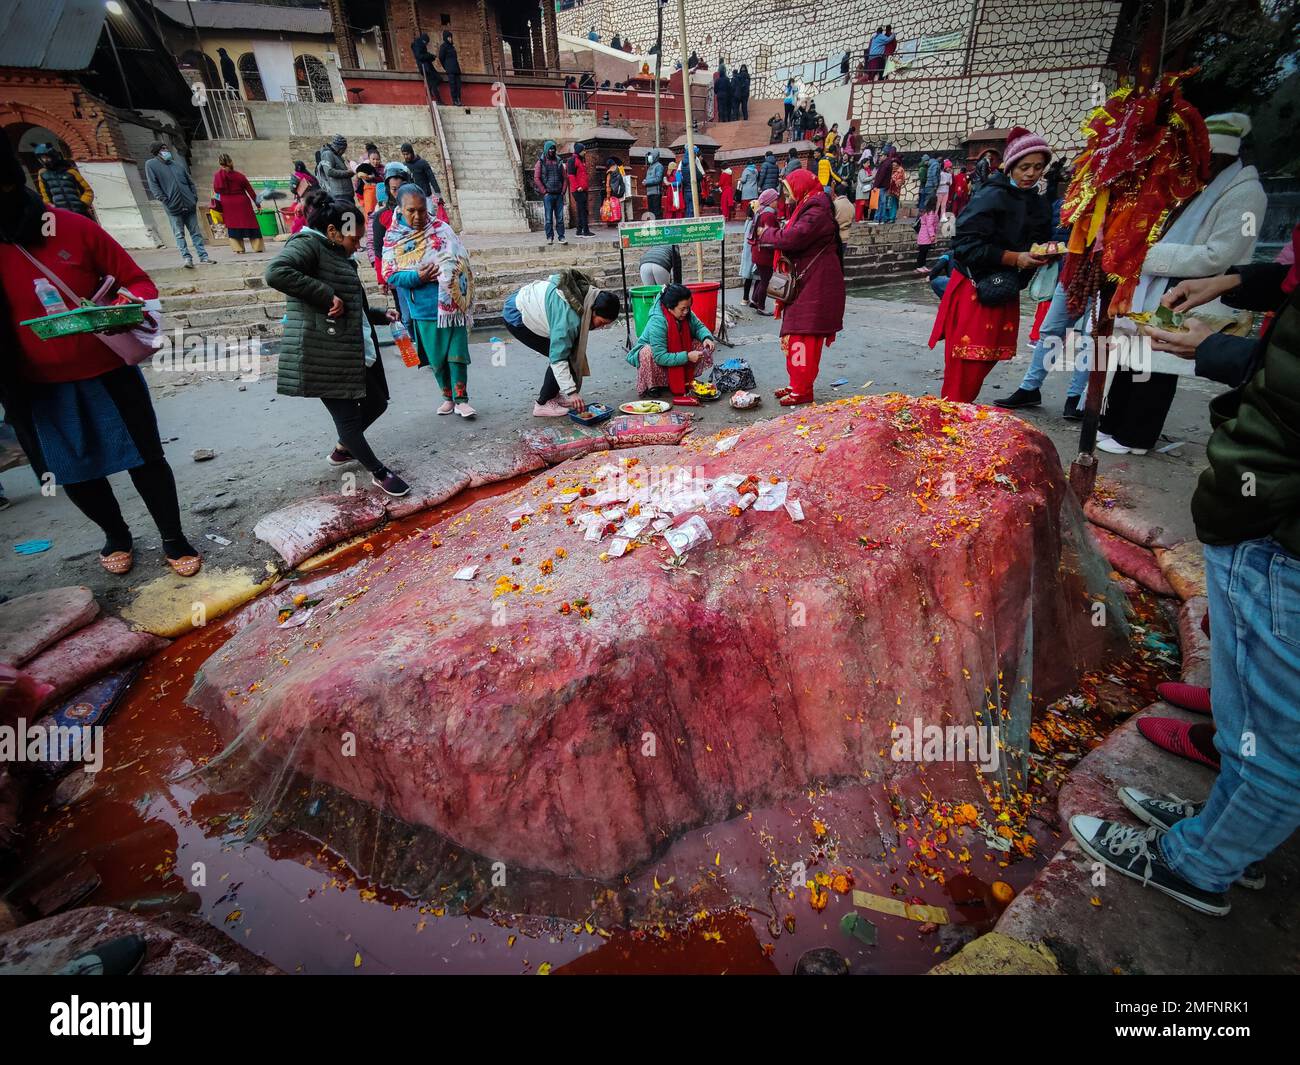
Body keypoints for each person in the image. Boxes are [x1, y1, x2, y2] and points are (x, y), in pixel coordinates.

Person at [1069, 234, 1300, 918]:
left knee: (1276, 736)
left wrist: (1213, 350)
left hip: (1282, 527)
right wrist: (1235, 283)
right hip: (1264, 516)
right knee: (1253, 714)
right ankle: (1227, 832)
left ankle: (1198, 866)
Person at [0, 140, 201, 577]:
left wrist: (120, 309)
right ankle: (115, 533)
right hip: (37, 386)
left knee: (146, 457)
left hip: (108, 371)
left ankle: (172, 535)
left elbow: (139, 283)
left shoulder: (71, 227)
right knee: (74, 471)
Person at [1097, 112, 1266, 456]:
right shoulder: (1200, 187)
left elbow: (1220, 256)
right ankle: (1112, 423)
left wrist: (1148, 255)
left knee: (1160, 363)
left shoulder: (1246, 194)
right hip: (1163, 285)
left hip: (1191, 291)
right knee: (1134, 355)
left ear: (1223, 156)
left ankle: (1136, 437)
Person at [266, 189, 409, 497]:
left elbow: (349, 300)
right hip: (322, 352)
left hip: (349, 347)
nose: (356, 246)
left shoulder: (334, 252)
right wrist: (323, 294)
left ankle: (343, 448)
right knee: (346, 417)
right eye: (353, 240)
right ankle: (379, 472)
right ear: (332, 231)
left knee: (377, 402)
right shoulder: (307, 245)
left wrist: (379, 315)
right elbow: (277, 272)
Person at [927, 126, 1051, 403]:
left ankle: (956, 414)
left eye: (1038, 167)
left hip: (1004, 288)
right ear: (1010, 167)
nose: (1031, 174)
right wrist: (1014, 258)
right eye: (1024, 167)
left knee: (984, 361)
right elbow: (966, 246)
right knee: (965, 365)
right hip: (976, 288)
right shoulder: (990, 196)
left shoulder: (1038, 203)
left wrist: (1043, 253)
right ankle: (952, 418)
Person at [382, 185, 475, 419]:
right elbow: (391, 274)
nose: (417, 216)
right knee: (437, 359)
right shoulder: (394, 238)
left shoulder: (441, 229)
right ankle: (447, 398)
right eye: (411, 211)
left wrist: (449, 268)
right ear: (400, 209)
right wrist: (418, 276)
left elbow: (461, 258)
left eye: (422, 210)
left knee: (457, 354)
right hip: (423, 308)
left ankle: (462, 399)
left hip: (452, 305)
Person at [758, 169, 845, 405]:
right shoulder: (810, 206)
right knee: (794, 334)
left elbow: (793, 238)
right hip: (807, 282)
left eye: (787, 192)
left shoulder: (816, 211)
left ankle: (802, 390)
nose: (786, 198)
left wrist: (768, 233)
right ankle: (796, 384)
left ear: (800, 188)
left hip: (816, 285)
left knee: (803, 337)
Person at [501, 270, 620, 417]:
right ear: (592, 311)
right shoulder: (569, 318)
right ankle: (542, 404)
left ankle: (553, 396)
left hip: (526, 299)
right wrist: (572, 392)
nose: (601, 327)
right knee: (564, 356)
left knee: (566, 351)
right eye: (601, 322)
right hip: (516, 315)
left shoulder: (587, 294)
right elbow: (558, 357)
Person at [629, 283, 717, 405]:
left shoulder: (686, 313)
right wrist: (687, 357)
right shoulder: (658, 321)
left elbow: (698, 327)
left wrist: (706, 338)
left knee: (702, 345)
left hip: (676, 351)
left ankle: (686, 379)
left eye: (688, 307)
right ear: (670, 308)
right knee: (647, 352)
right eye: (682, 309)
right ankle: (654, 385)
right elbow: (660, 357)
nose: (686, 312)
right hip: (658, 358)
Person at [144, 142, 209, 269]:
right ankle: (187, 258)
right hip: (173, 206)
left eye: (166, 148)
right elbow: (154, 185)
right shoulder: (151, 165)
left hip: (189, 203)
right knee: (179, 233)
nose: (166, 150)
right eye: (163, 149)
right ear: (157, 151)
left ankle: (203, 256)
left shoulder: (177, 165)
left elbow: (190, 183)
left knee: (195, 232)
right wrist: (165, 200)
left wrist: (193, 197)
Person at [369, 162, 412, 288]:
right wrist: (381, 280)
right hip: (396, 274)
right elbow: (378, 250)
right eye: (394, 189)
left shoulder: (417, 210)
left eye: (402, 187)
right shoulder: (381, 216)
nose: (399, 193)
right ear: (388, 188)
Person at [212, 153, 263, 254]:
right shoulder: (240, 176)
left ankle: (238, 249)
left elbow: (216, 191)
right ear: (231, 162)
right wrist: (258, 205)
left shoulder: (217, 177)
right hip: (242, 203)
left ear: (219, 164)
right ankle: (257, 247)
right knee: (251, 224)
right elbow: (251, 192)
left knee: (233, 225)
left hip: (227, 204)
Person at [33, 144, 93, 218]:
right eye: (42, 158)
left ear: (53, 156)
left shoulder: (70, 172)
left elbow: (88, 191)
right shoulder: (43, 174)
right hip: (63, 215)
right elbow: (45, 196)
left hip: (80, 213)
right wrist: (52, 208)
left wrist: (83, 204)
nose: (45, 160)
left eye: (47, 157)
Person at [747, 188, 780, 314]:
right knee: (766, 279)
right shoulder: (769, 215)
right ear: (770, 201)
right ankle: (761, 306)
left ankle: (755, 300)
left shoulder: (760, 213)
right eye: (775, 200)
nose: (777, 202)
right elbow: (771, 234)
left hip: (758, 250)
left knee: (761, 278)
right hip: (765, 252)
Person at [533, 140, 569, 245]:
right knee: (548, 218)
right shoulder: (541, 162)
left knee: (560, 218)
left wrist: (563, 191)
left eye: (553, 148)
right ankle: (550, 237)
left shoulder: (559, 161)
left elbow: (565, 178)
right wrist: (544, 191)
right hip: (548, 195)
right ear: (546, 149)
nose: (552, 150)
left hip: (558, 194)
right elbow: (536, 178)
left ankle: (561, 237)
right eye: (550, 148)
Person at [316, 134, 354, 200]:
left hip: (346, 194)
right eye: (343, 149)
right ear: (338, 148)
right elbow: (329, 172)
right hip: (339, 194)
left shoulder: (337, 156)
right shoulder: (327, 154)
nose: (343, 151)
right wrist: (347, 173)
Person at [568, 143, 593, 235]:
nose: (585, 152)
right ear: (579, 151)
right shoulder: (572, 160)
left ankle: (579, 231)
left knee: (581, 210)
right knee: (583, 210)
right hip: (578, 190)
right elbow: (571, 175)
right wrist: (577, 187)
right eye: (583, 150)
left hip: (583, 189)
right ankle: (585, 231)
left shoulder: (581, 160)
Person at [411, 34, 444, 104]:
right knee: (434, 82)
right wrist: (429, 56)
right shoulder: (417, 45)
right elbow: (420, 57)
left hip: (428, 66)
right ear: (423, 40)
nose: (426, 44)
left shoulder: (422, 45)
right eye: (425, 42)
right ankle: (438, 100)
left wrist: (431, 57)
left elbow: (425, 56)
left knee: (439, 79)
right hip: (425, 68)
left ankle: (431, 88)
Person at [913, 193, 939, 272]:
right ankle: (919, 265)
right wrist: (932, 235)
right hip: (926, 235)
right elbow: (930, 225)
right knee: (923, 252)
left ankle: (922, 265)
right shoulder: (930, 213)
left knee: (924, 251)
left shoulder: (927, 211)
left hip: (924, 234)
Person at [437, 31, 463, 108]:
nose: (450, 39)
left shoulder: (452, 47)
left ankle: (459, 100)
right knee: (453, 85)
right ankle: (455, 101)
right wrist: (446, 67)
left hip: (456, 69)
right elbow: (441, 58)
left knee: (458, 85)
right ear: (445, 38)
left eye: (451, 37)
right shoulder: (443, 46)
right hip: (450, 69)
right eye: (448, 37)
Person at [832, 183, 854, 263]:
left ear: (835, 193)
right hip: (845, 236)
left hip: (835, 236)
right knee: (840, 260)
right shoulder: (851, 206)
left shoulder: (834, 204)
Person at [643, 148, 666, 220]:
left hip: (656, 192)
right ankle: (653, 227)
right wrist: (645, 181)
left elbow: (658, 179)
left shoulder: (659, 166)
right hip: (649, 192)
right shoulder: (650, 166)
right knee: (651, 212)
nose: (649, 157)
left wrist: (647, 182)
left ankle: (659, 227)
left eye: (651, 155)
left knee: (656, 212)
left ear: (655, 156)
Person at [603, 157, 627, 224]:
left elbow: (608, 185)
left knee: (612, 207)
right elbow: (624, 176)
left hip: (613, 192)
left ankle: (613, 221)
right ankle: (622, 222)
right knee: (620, 206)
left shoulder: (609, 172)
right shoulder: (620, 169)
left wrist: (608, 195)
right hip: (621, 190)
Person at [855, 154, 874, 221]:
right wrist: (872, 177)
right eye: (867, 163)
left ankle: (860, 218)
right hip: (861, 192)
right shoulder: (862, 171)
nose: (868, 164)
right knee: (860, 206)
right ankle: (858, 219)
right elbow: (863, 179)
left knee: (862, 206)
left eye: (869, 163)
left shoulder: (868, 171)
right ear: (863, 164)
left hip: (864, 192)